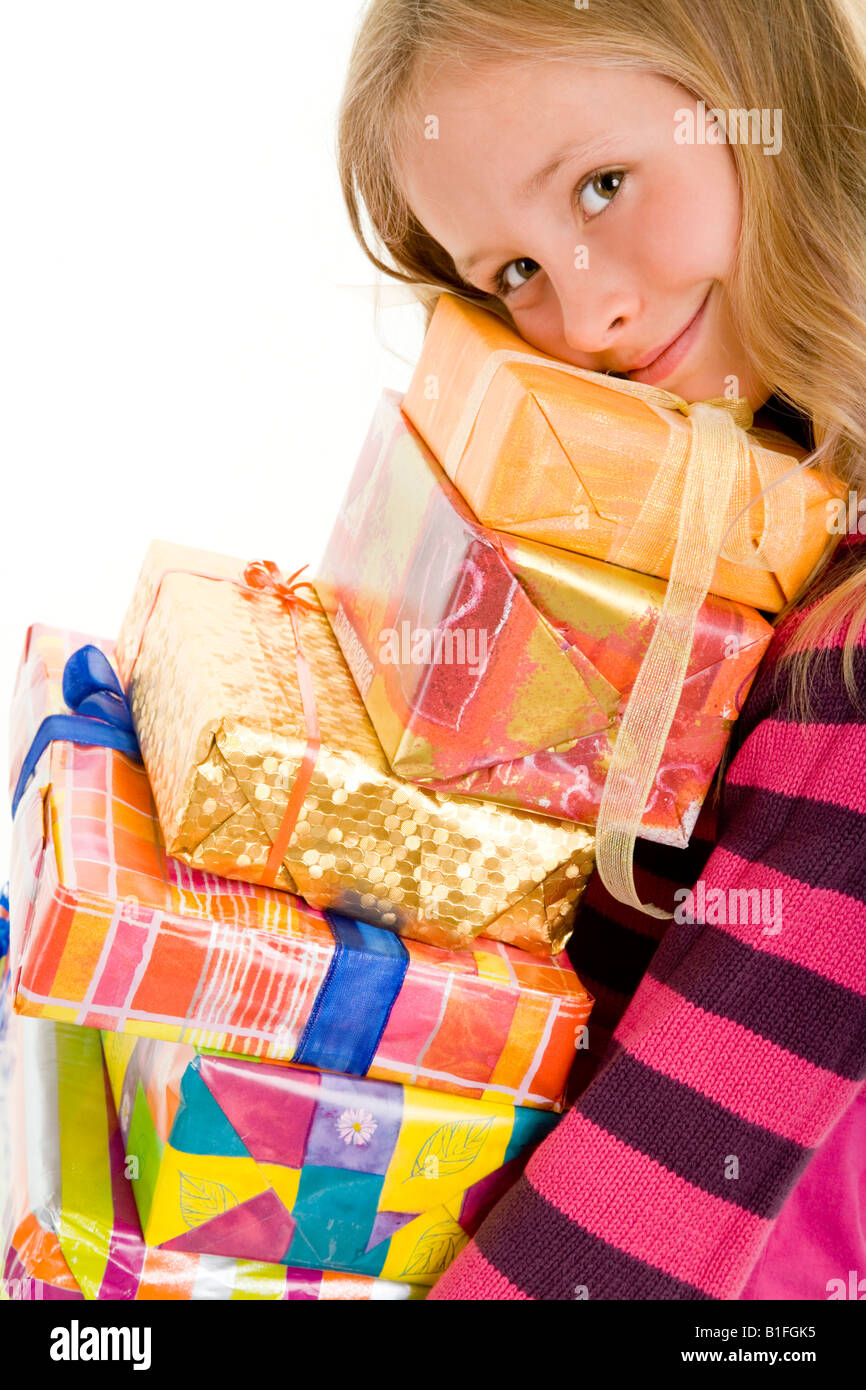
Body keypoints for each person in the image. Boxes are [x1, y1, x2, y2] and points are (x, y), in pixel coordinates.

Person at [337, 0, 866, 1299]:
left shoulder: (844, 669)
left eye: (603, 183)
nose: (587, 316)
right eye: (510, 272)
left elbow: (659, 1218)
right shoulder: (755, 550)